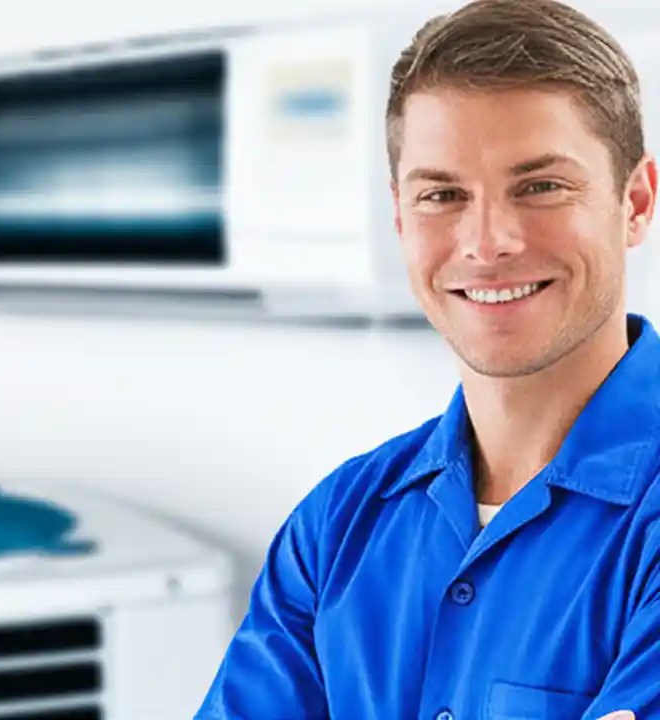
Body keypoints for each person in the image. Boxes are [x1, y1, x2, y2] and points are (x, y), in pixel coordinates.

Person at [195, 1, 660, 718]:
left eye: (540, 187)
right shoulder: (334, 530)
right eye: (443, 194)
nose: (487, 241)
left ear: (635, 201)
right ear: (401, 217)